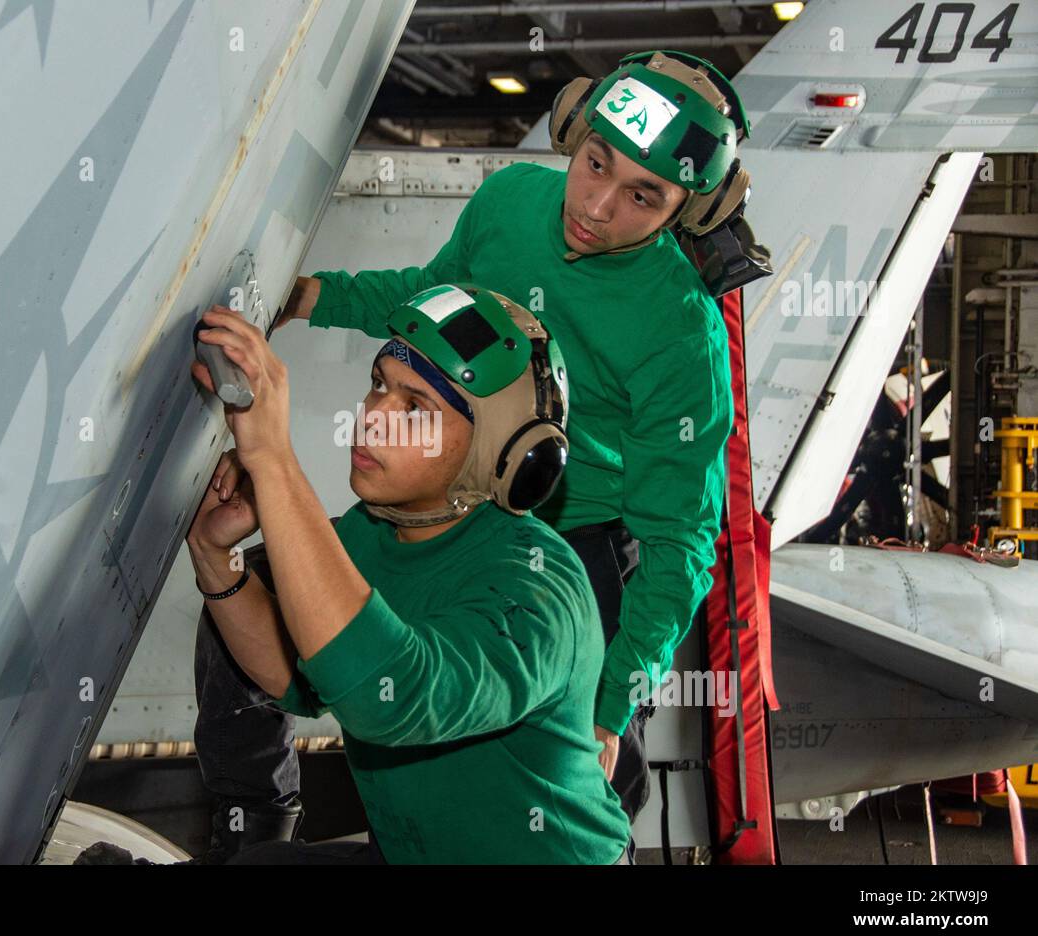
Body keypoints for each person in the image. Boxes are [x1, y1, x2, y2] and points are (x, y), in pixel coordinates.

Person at [190, 49, 747, 862]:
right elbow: (430, 300)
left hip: (579, 538)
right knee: (275, 595)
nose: (596, 207)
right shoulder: (510, 202)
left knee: (566, 766)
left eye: (643, 196)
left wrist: (608, 710)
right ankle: (255, 826)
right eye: (596, 163)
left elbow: (682, 544)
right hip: (457, 506)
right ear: (574, 131)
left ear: (689, 209)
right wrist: (311, 297)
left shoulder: (681, 334)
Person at [186, 286, 629, 863]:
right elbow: (297, 680)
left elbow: (391, 698)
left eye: (415, 408)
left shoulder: (539, 592)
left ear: (499, 451)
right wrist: (213, 555)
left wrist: (272, 459)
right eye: (379, 384)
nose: (373, 418)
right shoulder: (367, 535)